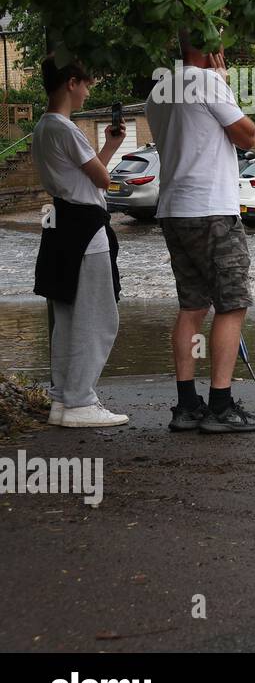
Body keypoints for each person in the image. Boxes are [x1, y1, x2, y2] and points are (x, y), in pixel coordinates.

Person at [145, 32, 255, 434]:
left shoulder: (159, 89)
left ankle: (186, 406)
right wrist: (227, 83)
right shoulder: (209, 81)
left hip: (173, 210)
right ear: (208, 49)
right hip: (212, 209)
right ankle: (220, 405)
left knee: (192, 306)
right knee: (232, 305)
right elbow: (247, 135)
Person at [31, 54, 128, 427]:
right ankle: (80, 401)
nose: (88, 92)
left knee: (69, 318)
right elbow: (103, 181)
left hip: (61, 224)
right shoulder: (65, 128)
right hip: (86, 229)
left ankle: (64, 399)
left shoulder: (43, 128)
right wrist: (106, 156)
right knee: (98, 318)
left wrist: (108, 148)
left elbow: (86, 176)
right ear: (71, 82)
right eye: (86, 84)